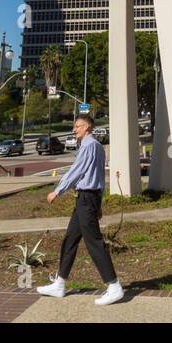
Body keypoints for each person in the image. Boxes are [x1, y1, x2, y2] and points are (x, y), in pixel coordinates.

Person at [36, 115, 124, 306]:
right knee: (70, 239)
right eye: (74, 126)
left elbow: (77, 170)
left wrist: (58, 191)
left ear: (88, 127)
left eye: (78, 126)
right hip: (87, 199)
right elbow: (100, 176)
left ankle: (114, 286)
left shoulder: (88, 145)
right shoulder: (98, 147)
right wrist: (99, 204)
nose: (74, 130)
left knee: (94, 241)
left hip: (86, 199)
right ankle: (60, 284)